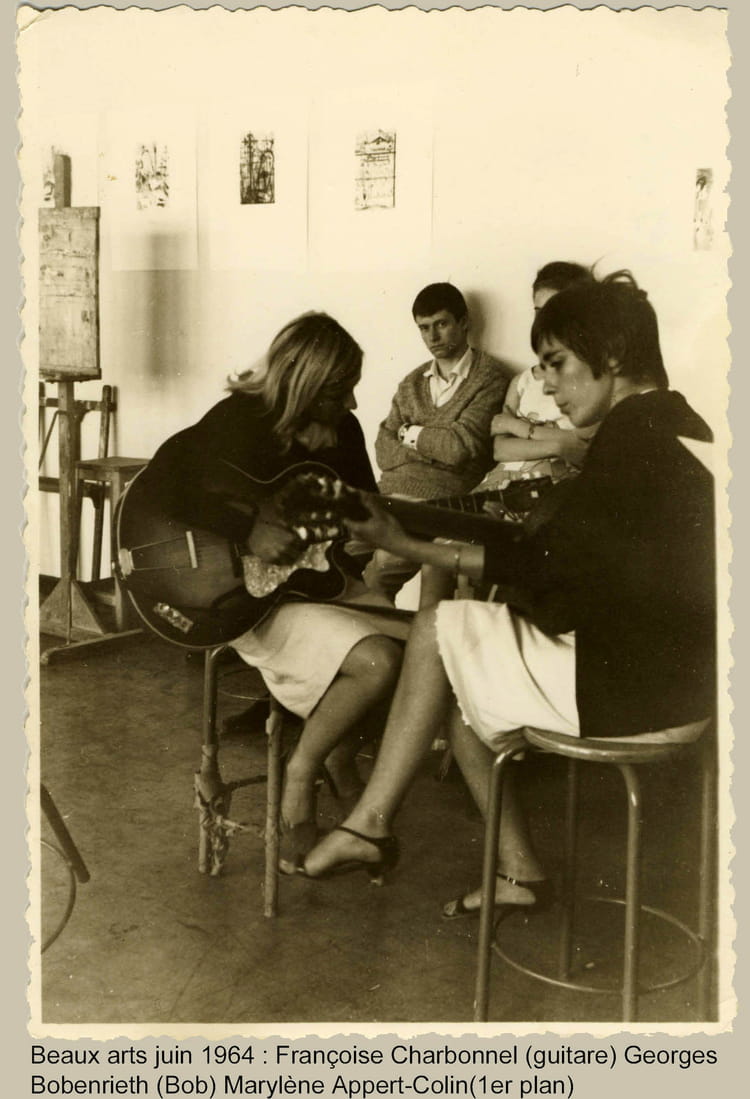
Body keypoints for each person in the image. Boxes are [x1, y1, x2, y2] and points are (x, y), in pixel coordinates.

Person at [299, 273, 715, 916]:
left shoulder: (631, 440)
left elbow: (554, 583)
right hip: (686, 685)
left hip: (635, 692)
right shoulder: (677, 422)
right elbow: (583, 572)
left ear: (608, 358)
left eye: (557, 364)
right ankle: (515, 871)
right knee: (466, 669)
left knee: (442, 630)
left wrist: (406, 545)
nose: (546, 384)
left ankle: (370, 822)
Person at [138, 312, 408, 870]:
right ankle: (303, 774)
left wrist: (389, 531)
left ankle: (333, 755)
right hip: (245, 599)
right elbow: (161, 485)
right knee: (379, 661)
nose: (354, 404)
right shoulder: (240, 419)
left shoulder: (346, 433)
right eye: (341, 391)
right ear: (306, 385)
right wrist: (247, 528)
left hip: (318, 583)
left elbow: (365, 511)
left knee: (416, 645)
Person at [363, 282, 508, 602]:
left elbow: (459, 449)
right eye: (424, 328)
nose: (432, 337)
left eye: (441, 324)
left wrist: (409, 434)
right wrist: (433, 445)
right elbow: (383, 451)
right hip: (386, 497)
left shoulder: (490, 378)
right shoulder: (412, 382)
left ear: (464, 322)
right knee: (331, 552)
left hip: (441, 506)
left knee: (378, 573)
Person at [478, 262, 596, 493]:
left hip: (552, 490)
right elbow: (500, 450)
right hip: (500, 483)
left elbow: (580, 447)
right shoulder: (523, 382)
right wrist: (558, 444)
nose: (544, 322)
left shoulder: (595, 380)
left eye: (555, 311)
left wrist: (515, 426)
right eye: (539, 312)